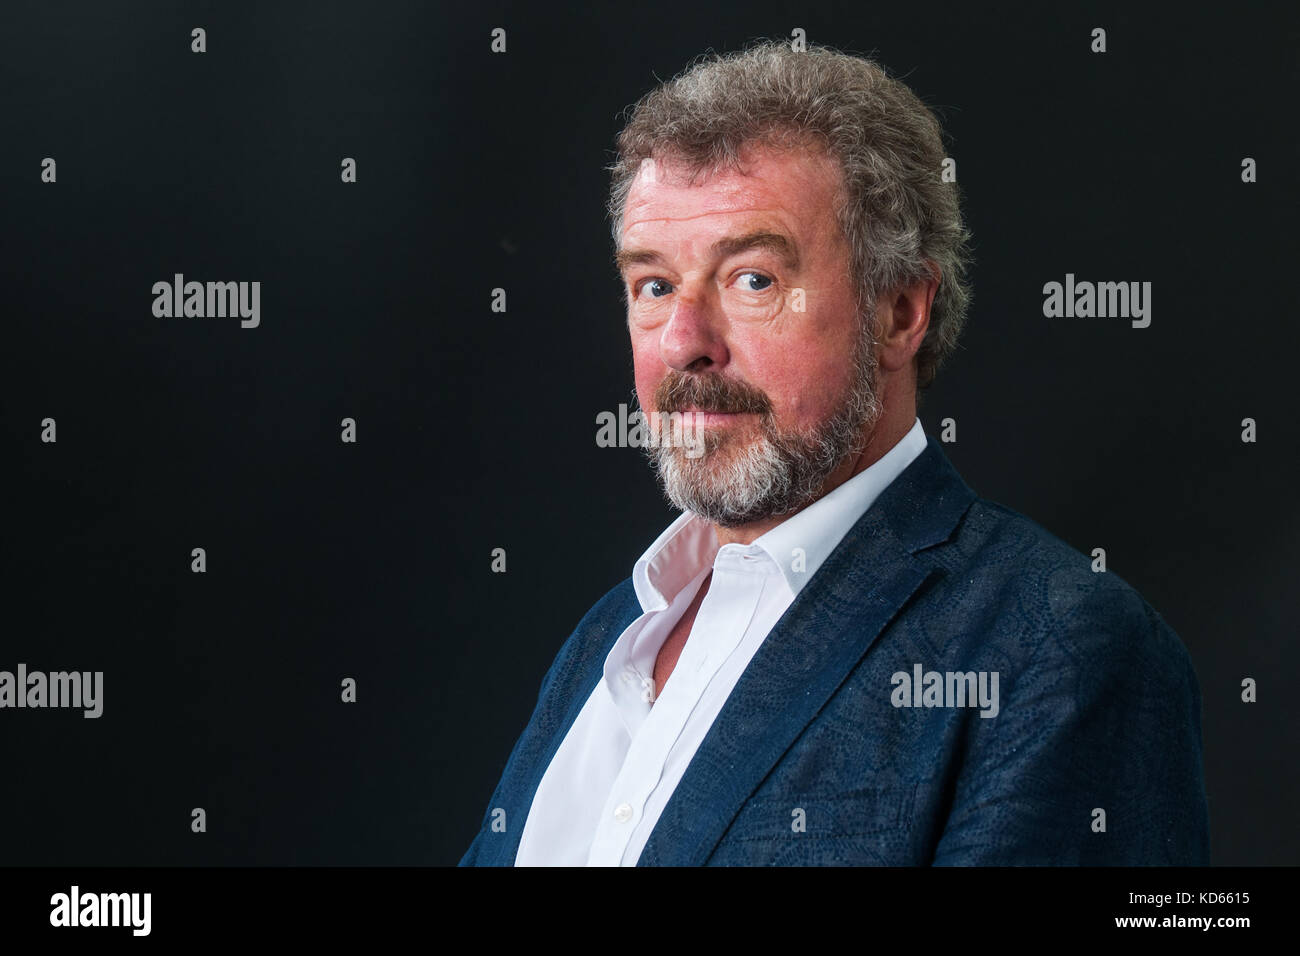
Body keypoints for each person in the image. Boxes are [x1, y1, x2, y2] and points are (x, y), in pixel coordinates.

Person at [460, 39, 1210, 866]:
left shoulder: (1059, 648)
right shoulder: (611, 636)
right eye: (655, 285)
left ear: (898, 312)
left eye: (752, 280)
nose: (683, 343)